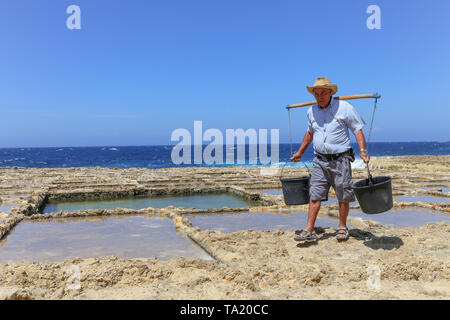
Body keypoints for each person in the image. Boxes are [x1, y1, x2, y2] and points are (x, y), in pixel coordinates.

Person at [290, 77, 370, 241]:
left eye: (322, 93)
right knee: (315, 195)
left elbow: (358, 130)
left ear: (330, 93)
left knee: (343, 194)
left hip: (340, 159)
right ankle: (309, 229)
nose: (319, 97)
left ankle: (342, 227)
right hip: (319, 160)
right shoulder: (311, 111)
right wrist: (299, 153)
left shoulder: (345, 108)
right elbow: (310, 134)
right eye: (316, 94)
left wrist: (363, 151)